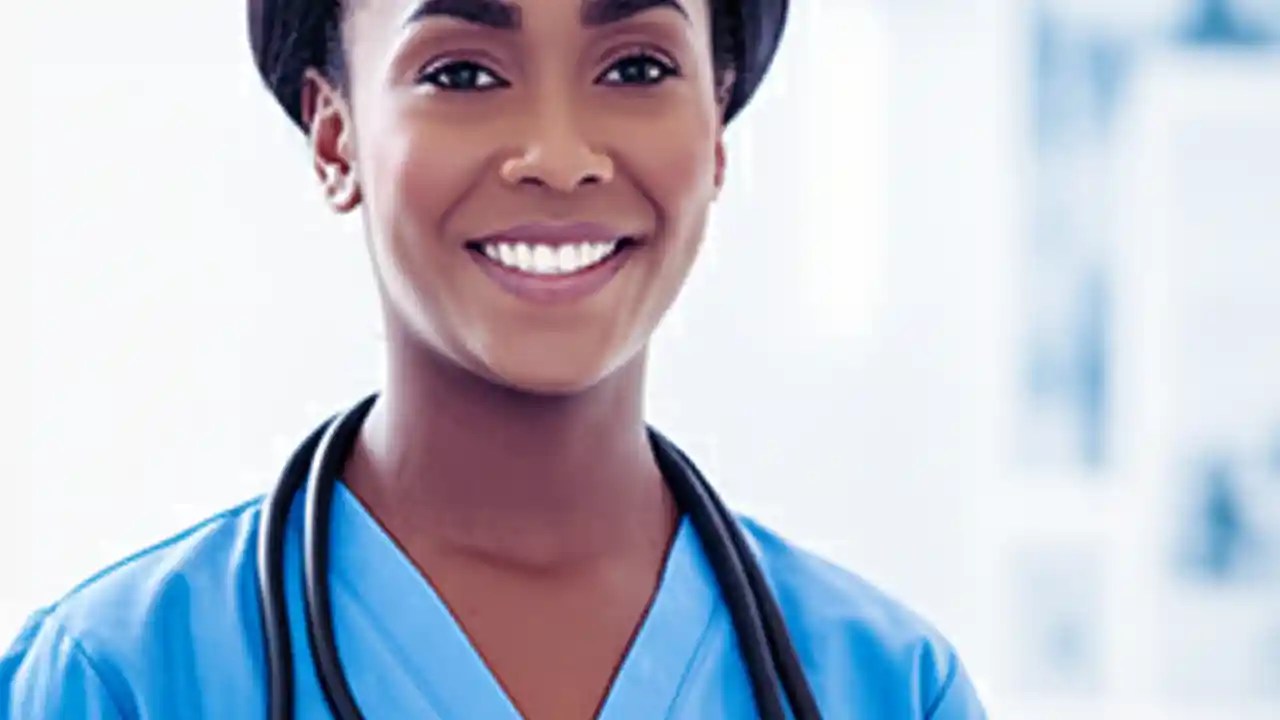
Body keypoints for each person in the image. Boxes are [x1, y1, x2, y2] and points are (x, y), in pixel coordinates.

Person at [1, 0, 988, 717]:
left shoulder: (886, 687)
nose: (557, 155)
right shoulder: (120, 676)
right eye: (461, 73)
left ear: (717, 126)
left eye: (636, 68)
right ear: (334, 136)